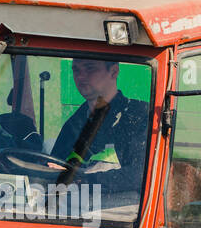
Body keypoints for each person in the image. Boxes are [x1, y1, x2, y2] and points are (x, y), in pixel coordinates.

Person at [51, 59, 149, 194]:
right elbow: (55, 165)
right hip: (71, 208)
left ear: (114, 72)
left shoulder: (139, 116)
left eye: (90, 68)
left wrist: (84, 180)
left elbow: (140, 174)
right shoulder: (74, 123)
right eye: (76, 70)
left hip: (120, 211)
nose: (80, 76)